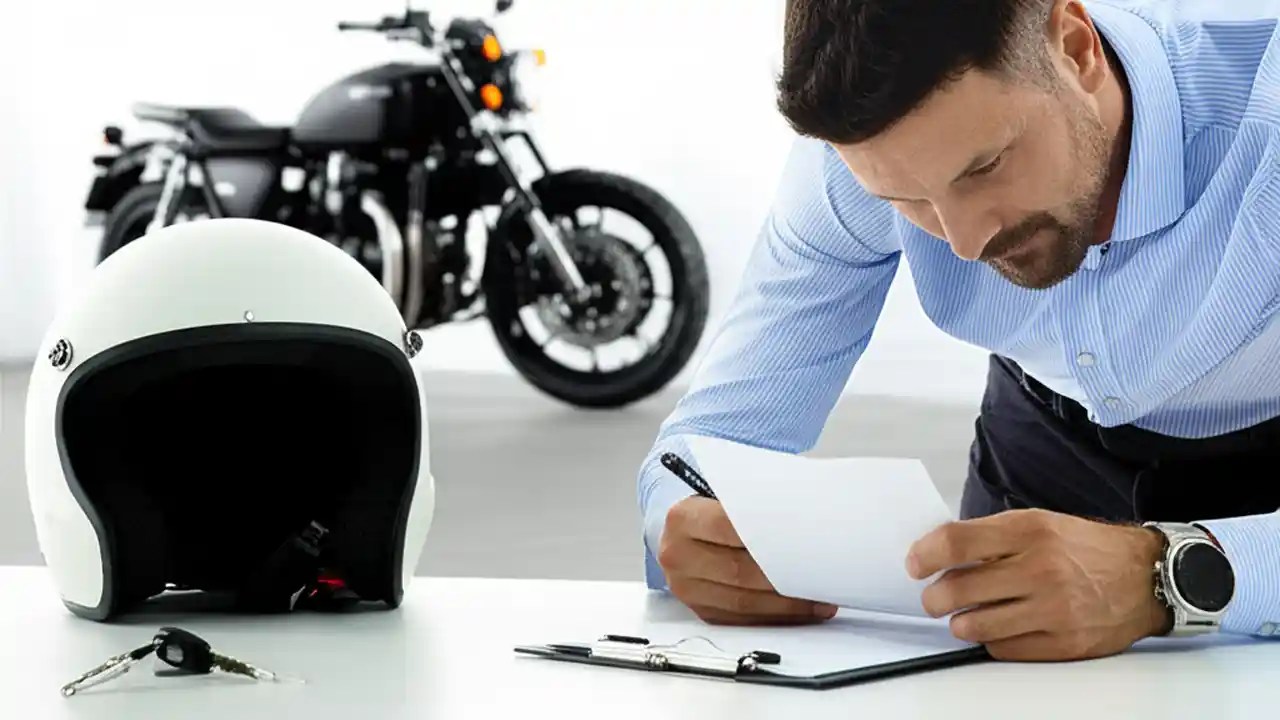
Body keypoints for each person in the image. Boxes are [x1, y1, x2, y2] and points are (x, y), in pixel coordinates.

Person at [636, 0, 1280, 662]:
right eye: (904, 201)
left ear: (1077, 48)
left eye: (984, 167)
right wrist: (684, 530)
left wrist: (1170, 577)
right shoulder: (860, 158)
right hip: (1039, 446)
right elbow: (711, 441)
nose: (965, 243)